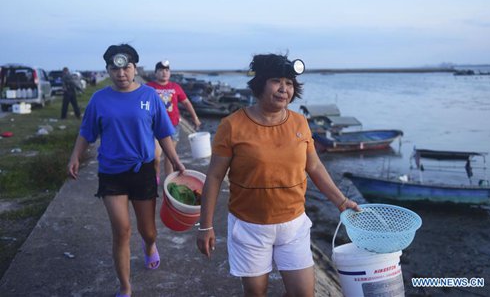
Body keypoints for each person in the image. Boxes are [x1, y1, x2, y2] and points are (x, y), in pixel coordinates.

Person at [196, 53, 360, 296]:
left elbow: (314, 167)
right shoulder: (232, 125)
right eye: (276, 81)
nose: (284, 89)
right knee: (256, 292)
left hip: (293, 225)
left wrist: (341, 201)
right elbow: (214, 177)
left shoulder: (300, 123)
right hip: (249, 226)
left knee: (303, 293)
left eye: (290, 83)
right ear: (260, 83)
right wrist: (205, 226)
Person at [67, 44, 185, 297]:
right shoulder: (99, 99)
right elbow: (86, 132)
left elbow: (164, 132)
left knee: (148, 230)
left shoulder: (150, 96)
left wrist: (175, 160)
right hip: (111, 173)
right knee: (121, 230)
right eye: (114, 68)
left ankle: (150, 245)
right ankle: (125, 286)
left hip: (142, 171)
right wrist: (75, 156)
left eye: (126, 68)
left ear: (135, 69)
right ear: (108, 70)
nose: (121, 73)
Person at [146, 60, 201, 183]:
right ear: (155, 73)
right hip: (154, 126)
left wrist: (195, 118)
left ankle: (168, 181)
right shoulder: (149, 88)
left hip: (173, 126)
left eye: (167, 70)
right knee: (155, 157)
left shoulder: (175, 87)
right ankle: (156, 176)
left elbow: (186, 102)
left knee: (170, 156)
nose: (164, 73)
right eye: (161, 70)